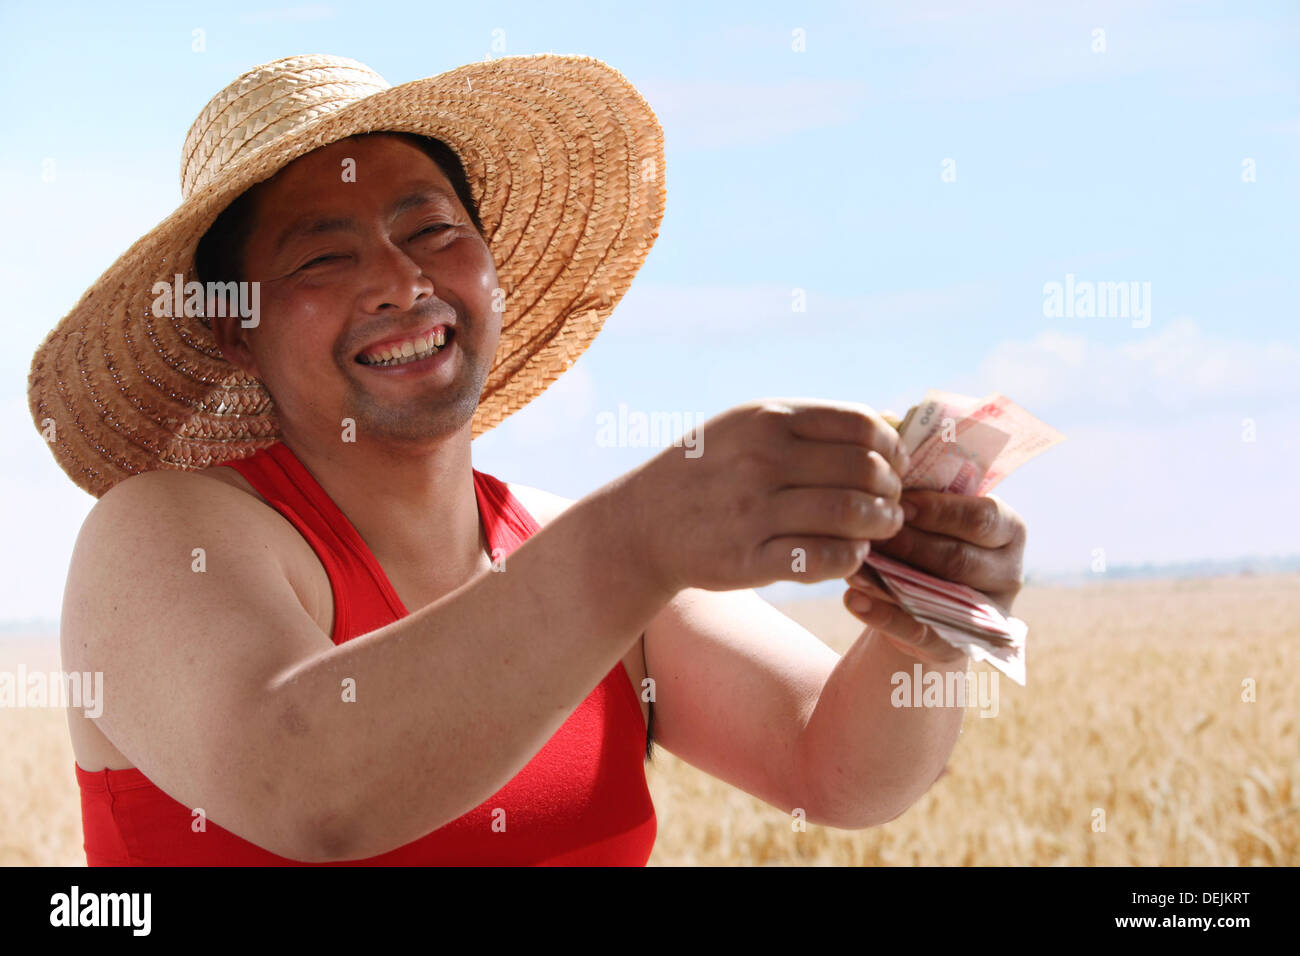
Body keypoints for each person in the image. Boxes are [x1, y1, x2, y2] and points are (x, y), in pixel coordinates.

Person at [28, 54, 1027, 865]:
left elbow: (836, 772)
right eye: (322, 257)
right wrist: (637, 540)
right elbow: (307, 791)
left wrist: (922, 632)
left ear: (491, 273)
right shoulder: (161, 531)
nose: (398, 279)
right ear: (235, 332)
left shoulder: (571, 547)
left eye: (432, 231)